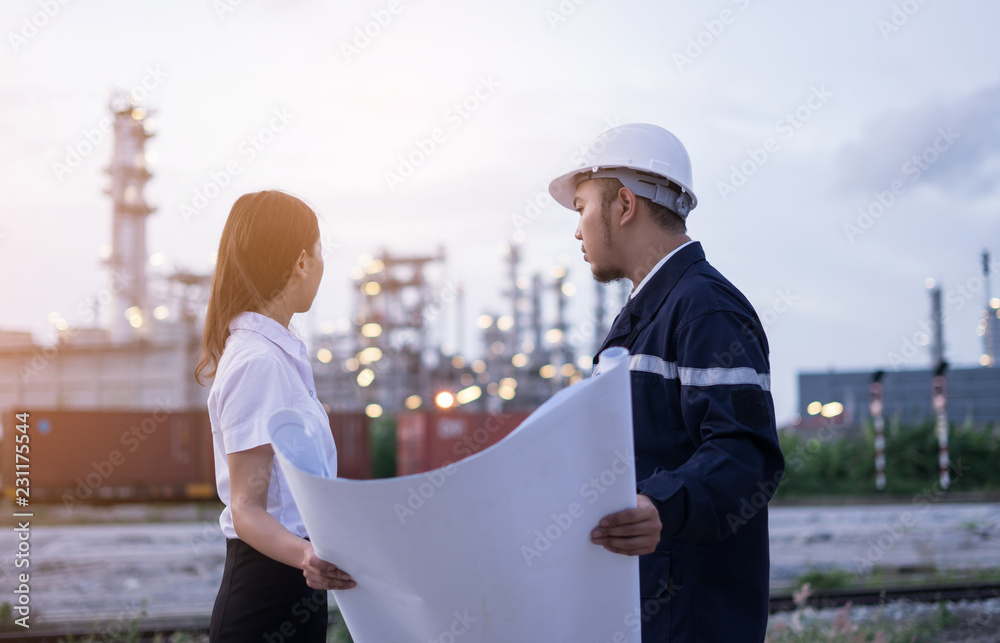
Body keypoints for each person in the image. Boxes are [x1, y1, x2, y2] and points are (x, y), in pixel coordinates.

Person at [548, 124, 785, 642]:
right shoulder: (646, 316)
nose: (576, 230)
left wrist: (662, 505)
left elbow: (745, 453)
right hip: (645, 607)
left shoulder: (706, 311)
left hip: (692, 617)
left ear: (625, 204)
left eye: (583, 207)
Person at [195, 190, 356, 642]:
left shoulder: (277, 357)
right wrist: (308, 558)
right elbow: (246, 508)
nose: (324, 265)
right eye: (320, 251)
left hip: (294, 580)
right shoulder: (258, 362)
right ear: (302, 262)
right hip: (269, 590)